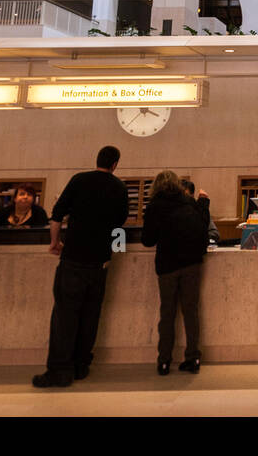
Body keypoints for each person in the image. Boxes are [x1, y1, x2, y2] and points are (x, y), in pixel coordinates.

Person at [33, 146, 128, 388]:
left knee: (65, 316)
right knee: (90, 315)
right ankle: (81, 366)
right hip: (99, 263)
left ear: (96, 160)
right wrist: (110, 252)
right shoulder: (119, 188)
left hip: (73, 259)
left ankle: (59, 371)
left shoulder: (79, 180)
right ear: (115, 164)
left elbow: (57, 215)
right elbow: (120, 224)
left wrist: (55, 242)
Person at [142, 170, 209, 375]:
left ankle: (164, 360)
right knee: (191, 312)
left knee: (167, 313)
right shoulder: (189, 203)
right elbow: (203, 227)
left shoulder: (154, 207)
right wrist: (204, 204)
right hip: (191, 264)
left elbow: (148, 240)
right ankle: (193, 358)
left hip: (167, 266)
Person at [182, 178, 219, 246]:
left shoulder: (199, 209)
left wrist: (200, 237)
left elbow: (215, 233)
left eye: (186, 196)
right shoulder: (175, 210)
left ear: (192, 196)